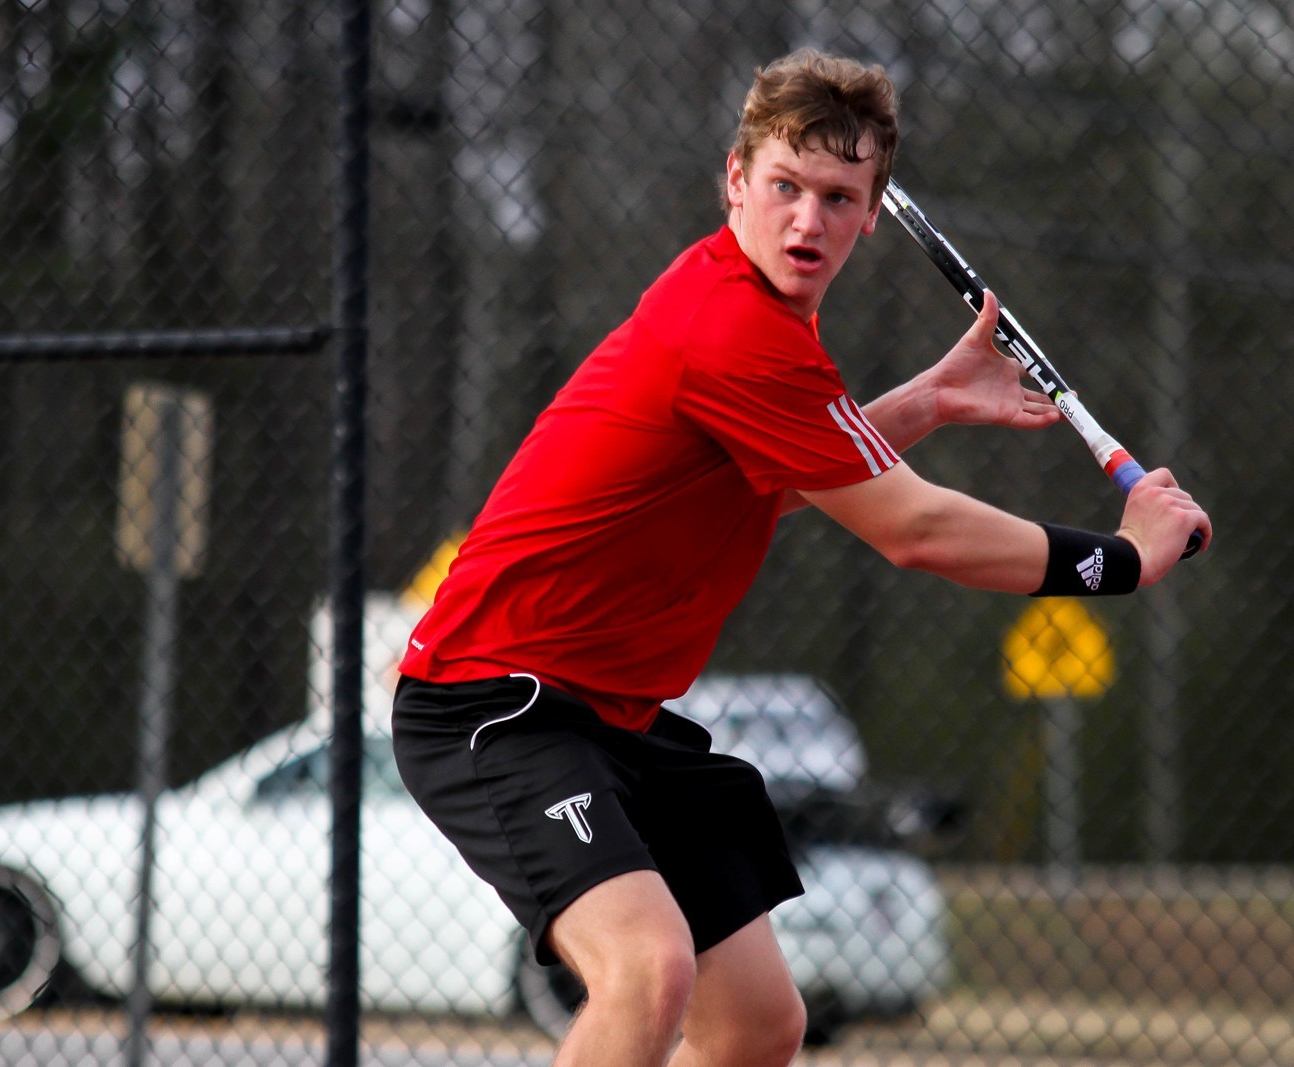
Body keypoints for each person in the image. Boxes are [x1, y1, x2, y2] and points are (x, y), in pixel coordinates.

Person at [391, 48, 1210, 1067]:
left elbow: (787, 477)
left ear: (871, 213)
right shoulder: (731, 326)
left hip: (614, 717)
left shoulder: (759, 327)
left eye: (836, 196)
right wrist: (1120, 561)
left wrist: (926, 401)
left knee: (753, 1028)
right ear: (735, 181)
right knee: (647, 973)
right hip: (493, 703)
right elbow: (913, 531)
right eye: (783, 186)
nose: (805, 221)